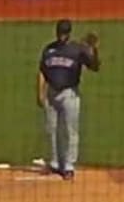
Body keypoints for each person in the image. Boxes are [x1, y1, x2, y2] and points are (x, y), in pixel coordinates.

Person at [37, 19, 101, 180]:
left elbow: (94, 66)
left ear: (69, 33)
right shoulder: (49, 49)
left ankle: (69, 165)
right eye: (60, 33)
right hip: (52, 93)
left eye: (64, 33)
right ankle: (55, 163)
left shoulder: (77, 50)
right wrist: (40, 92)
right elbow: (42, 71)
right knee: (52, 128)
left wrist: (93, 49)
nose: (62, 36)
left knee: (70, 129)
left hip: (69, 93)